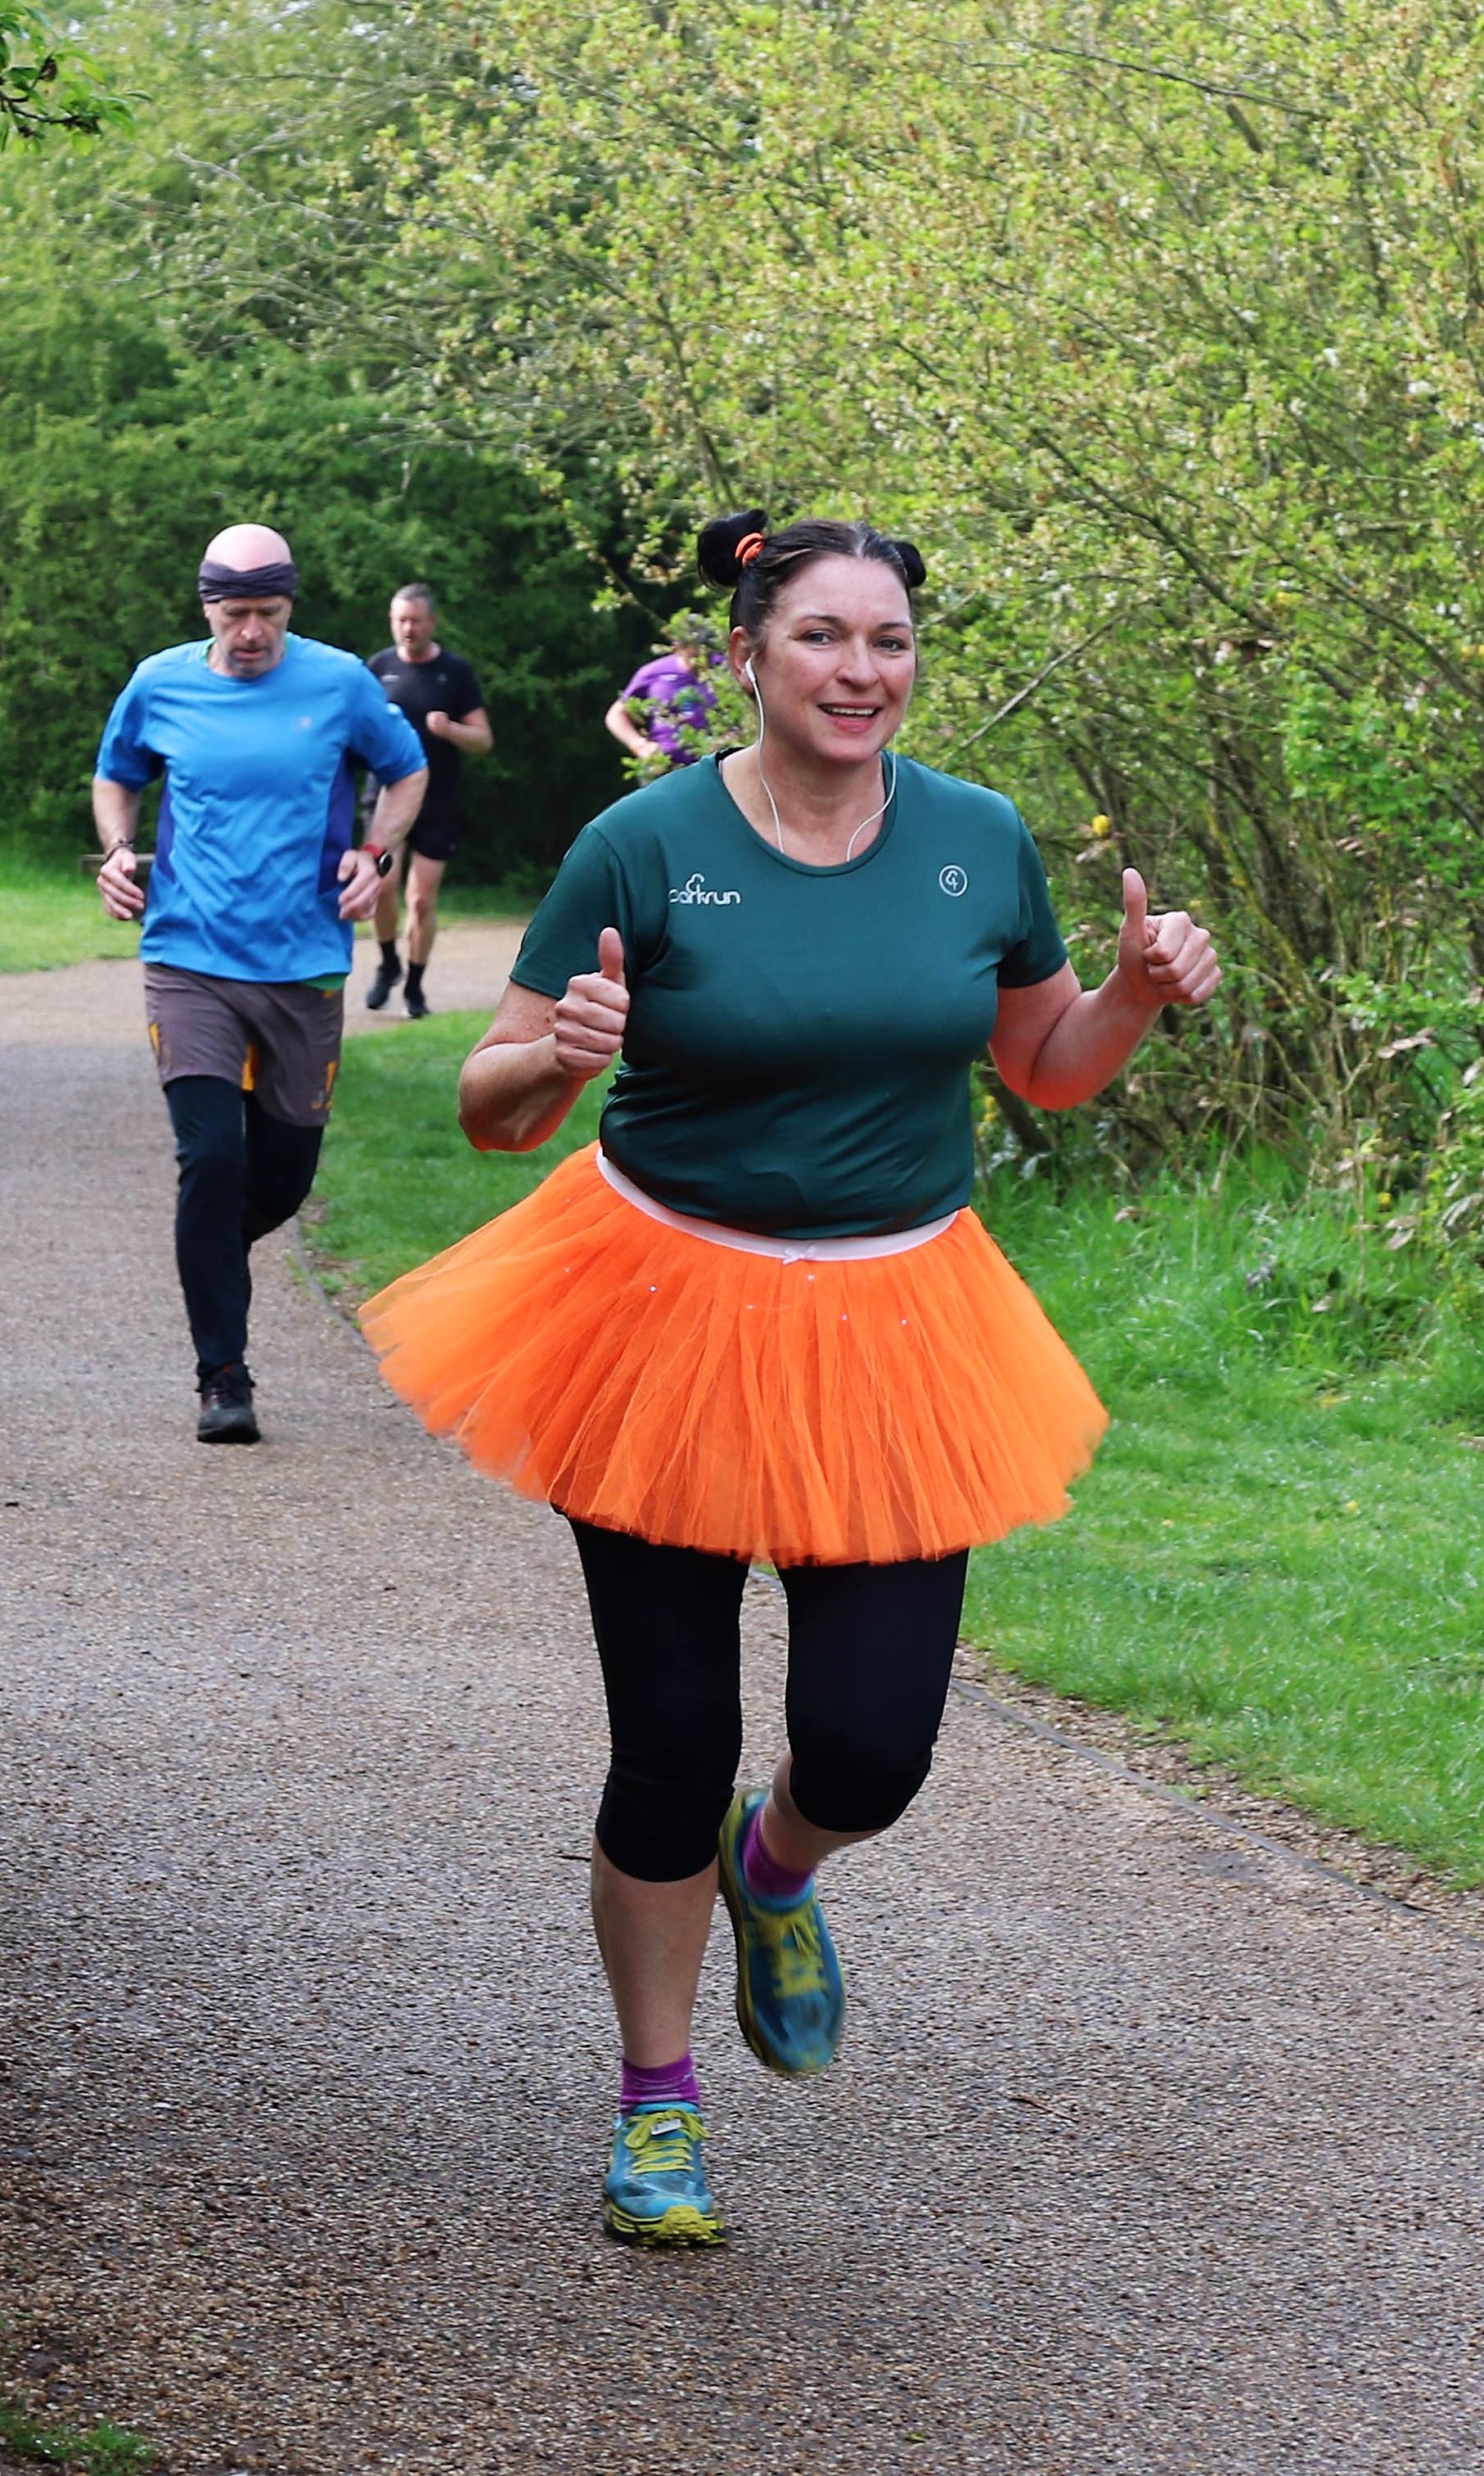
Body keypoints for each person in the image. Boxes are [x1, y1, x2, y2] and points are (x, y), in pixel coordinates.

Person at [361, 511, 1220, 2246]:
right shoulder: (644, 841)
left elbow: (1044, 1073)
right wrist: (559, 1056)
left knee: (871, 1745)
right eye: (821, 637)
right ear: (744, 657)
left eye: (888, 640)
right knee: (670, 1737)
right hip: (659, 1309)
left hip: (900, 1318)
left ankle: (778, 1870)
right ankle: (658, 2102)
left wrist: (1130, 992)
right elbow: (491, 1099)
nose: (859, 671)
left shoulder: (977, 841)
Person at [93, 523, 428, 1444]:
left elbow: (406, 772)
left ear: (291, 606)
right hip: (188, 957)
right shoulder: (160, 681)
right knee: (210, 1159)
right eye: (235, 613)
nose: (252, 632)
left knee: (277, 1184)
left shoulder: (338, 683)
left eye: (268, 614)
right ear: (207, 607)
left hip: (304, 964)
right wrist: (120, 850)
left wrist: (375, 853)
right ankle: (223, 1375)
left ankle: (211, 1254)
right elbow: (115, 776)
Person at [364, 584, 492, 1018]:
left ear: (432, 622)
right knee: (382, 885)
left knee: (421, 899)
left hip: (438, 799)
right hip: (385, 794)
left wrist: (452, 730)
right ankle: (387, 964)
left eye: (416, 620)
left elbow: (483, 739)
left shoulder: (453, 672)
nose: (408, 628)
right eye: (400, 620)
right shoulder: (377, 668)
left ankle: (415, 986)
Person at [602, 625, 717, 774]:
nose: (701, 658)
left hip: (716, 765)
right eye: (695, 651)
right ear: (678, 647)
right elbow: (616, 714)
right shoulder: (655, 673)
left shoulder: (725, 669)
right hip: (666, 767)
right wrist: (639, 745)